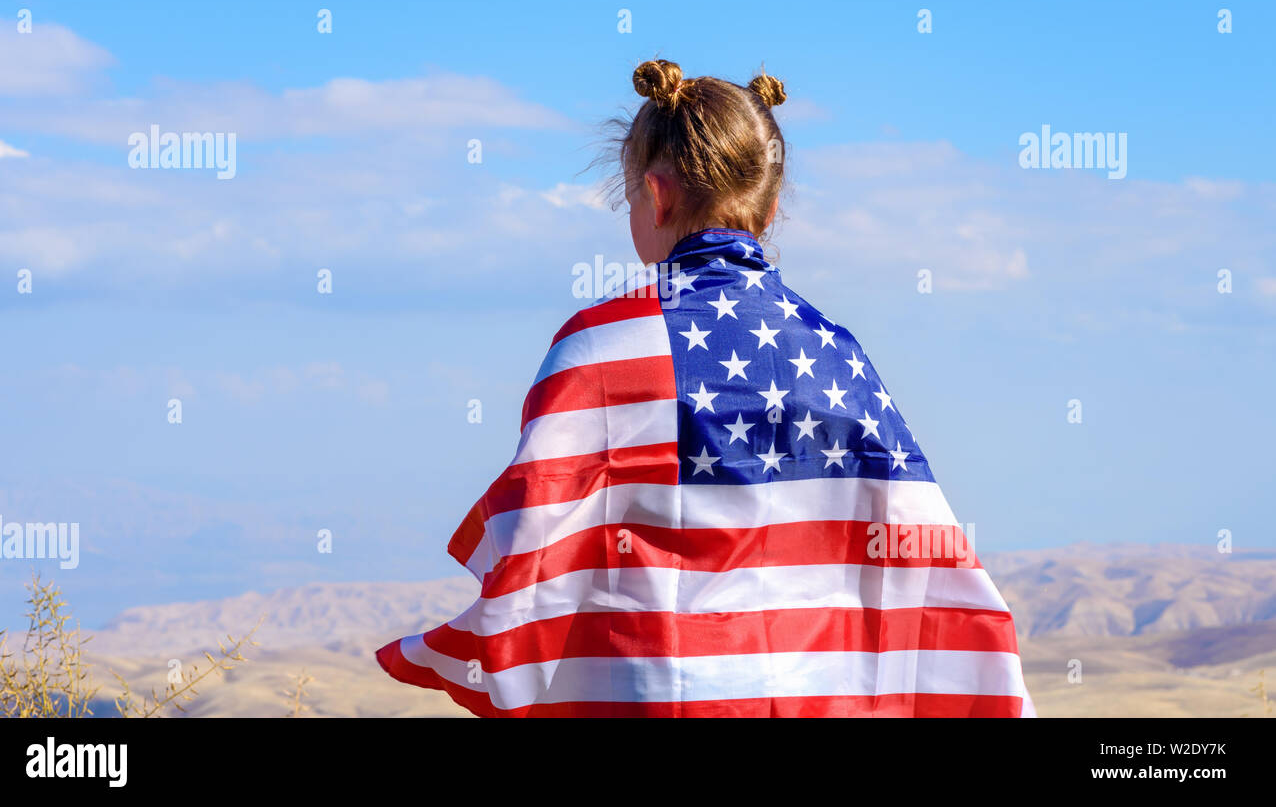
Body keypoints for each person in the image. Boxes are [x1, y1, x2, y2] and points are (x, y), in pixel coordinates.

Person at [377, 59, 1035, 717]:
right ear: (771, 208)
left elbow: (529, 550)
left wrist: (451, 646)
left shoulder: (598, 347)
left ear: (655, 196)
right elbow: (925, 562)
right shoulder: (842, 357)